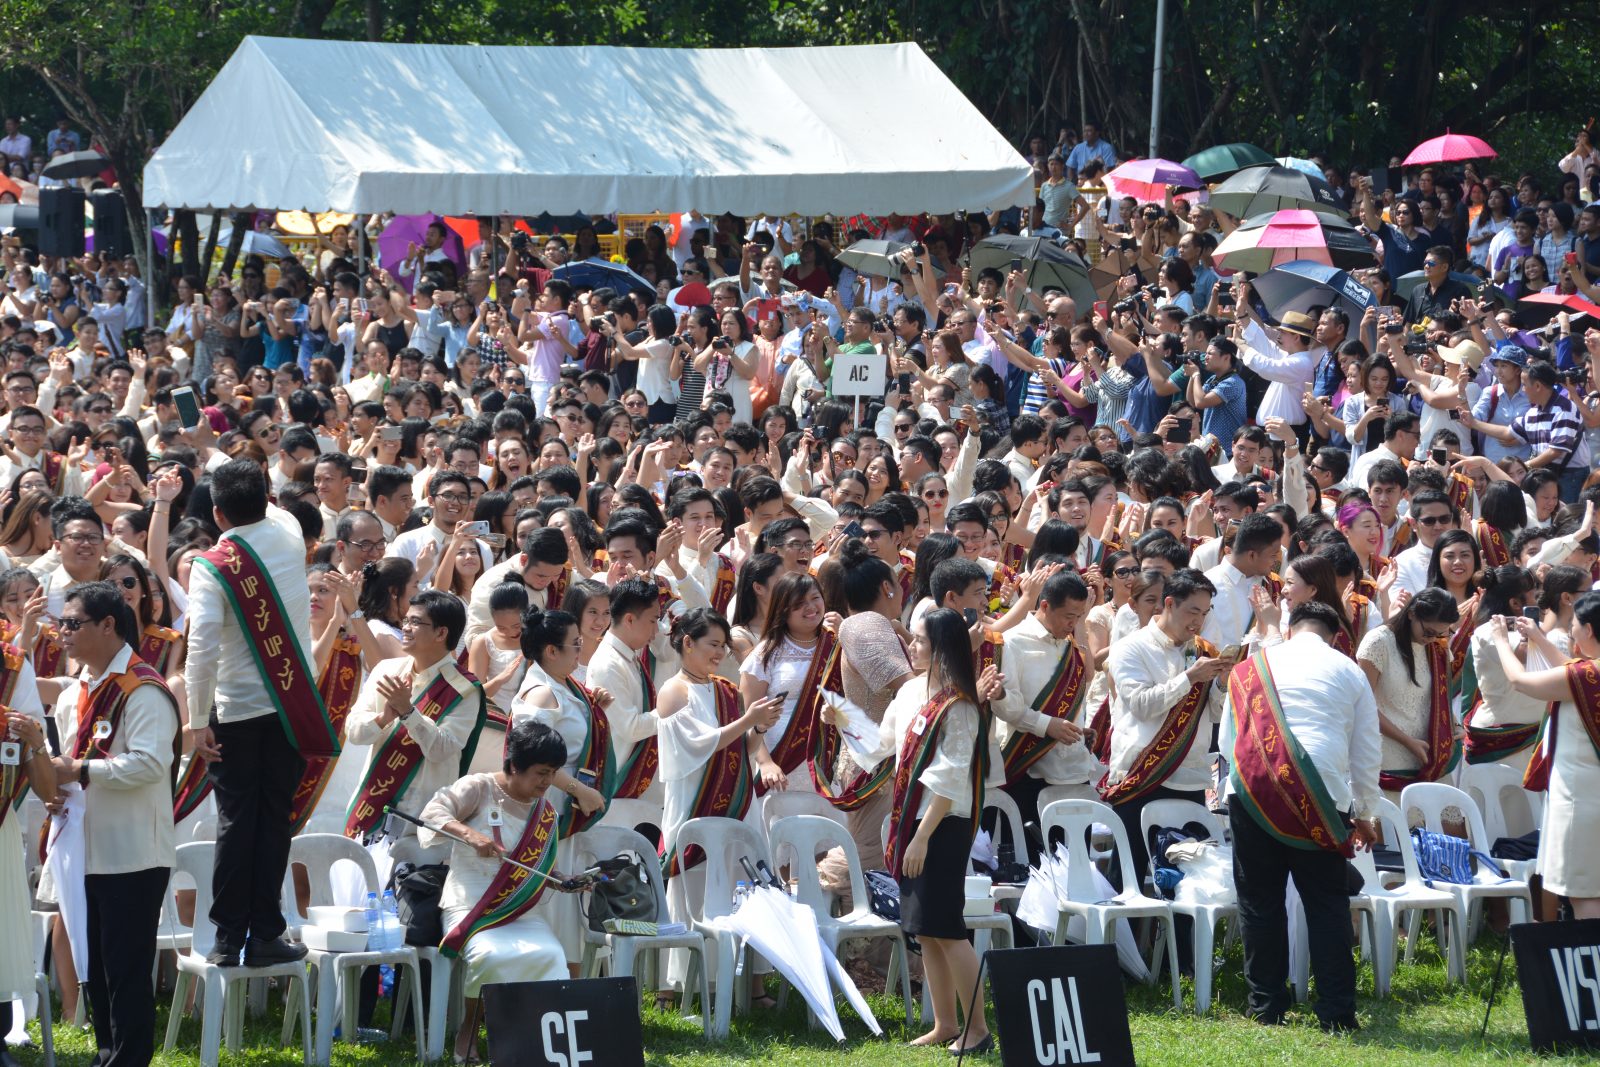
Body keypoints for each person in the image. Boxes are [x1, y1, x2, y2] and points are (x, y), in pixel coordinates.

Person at [184, 459, 329, 966]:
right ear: (266, 496)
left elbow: (200, 648)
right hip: (290, 706)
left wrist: (196, 718)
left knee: (236, 822)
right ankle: (265, 932)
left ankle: (227, 938)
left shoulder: (210, 565)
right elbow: (261, 499)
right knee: (274, 822)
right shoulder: (289, 529)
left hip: (236, 713)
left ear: (218, 514)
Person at [1223, 601, 1380, 1031]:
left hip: (1251, 790)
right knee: (1327, 905)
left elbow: (1228, 739)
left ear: (1289, 630)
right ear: (1334, 637)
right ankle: (1336, 1012)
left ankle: (1266, 1006)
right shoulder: (1348, 670)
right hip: (1322, 791)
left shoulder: (1250, 668)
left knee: (1259, 902)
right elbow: (1366, 750)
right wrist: (1366, 811)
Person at [48, 581, 179, 1067]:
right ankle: (108, 1055)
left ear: (108, 625)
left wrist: (79, 771)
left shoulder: (142, 689)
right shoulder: (78, 689)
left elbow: (149, 764)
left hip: (132, 854)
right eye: (60, 622)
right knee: (97, 969)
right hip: (84, 848)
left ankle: (129, 1059)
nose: (62, 633)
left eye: (72, 623)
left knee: (125, 970)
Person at [419, 720, 575, 1063]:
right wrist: (470, 834)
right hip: (470, 905)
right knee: (490, 956)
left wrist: (559, 880)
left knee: (551, 956)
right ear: (515, 765)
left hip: (519, 911)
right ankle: (469, 1030)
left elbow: (535, 869)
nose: (548, 782)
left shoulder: (545, 812)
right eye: (541, 772)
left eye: (553, 773)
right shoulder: (479, 787)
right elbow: (432, 812)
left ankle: (532, 1039)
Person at [883, 607, 1001, 1055]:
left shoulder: (960, 706)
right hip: (919, 824)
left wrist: (921, 836)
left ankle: (978, 1029)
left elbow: (949, 782)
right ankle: (945, 1022)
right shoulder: (922, 694)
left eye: (918, 642)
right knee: (926, 930)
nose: (911, 647)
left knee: (948, 929)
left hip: (940, 826)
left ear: (940, 651)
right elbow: (887, 749)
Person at [657, 609, 781, 1005]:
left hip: (733, 800)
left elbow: (739, 747)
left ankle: (745, 983)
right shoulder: (673, 690)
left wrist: (758, 726)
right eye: (712, 644)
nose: (719, 652)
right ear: (687, 643)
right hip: (695, 800)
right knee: (694, 887)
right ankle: (680, 986)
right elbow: (697, 747)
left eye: (723, 645)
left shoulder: (725, 689)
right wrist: (748, 720)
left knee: (736, 884)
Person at [1102, 567, 1227, 877]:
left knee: (1193, 881)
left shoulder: (1204, 651)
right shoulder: (1130, 648)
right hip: (1142, 773)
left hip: (1190, 776)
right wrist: (1189, 677)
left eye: (1205, 613)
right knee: (1128, 877)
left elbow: (1216, 715)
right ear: (1169, 604)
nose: (1198, 621)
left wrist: (1223, 684)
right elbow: (1142, 706)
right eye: (1192, 611)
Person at [343, 590, 485, 861]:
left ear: (441, 633)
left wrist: (409, 712)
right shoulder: (386, 670)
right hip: (370, 810)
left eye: (415, 622)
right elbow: (354, 731)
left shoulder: (465, 689)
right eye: (405, 620)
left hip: (420, 823)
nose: (405, 628)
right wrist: (384, 717)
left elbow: (442, 749)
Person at [1490, 602, 1600, 920]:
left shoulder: (1583, 675)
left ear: (1589, 629)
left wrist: (1500, 639)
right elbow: (1573, 676)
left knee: (1585, 894)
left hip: (1580, 797)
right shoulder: (1586, 674)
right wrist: (1539, 636)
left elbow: (1521, 681)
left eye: (1575, 623)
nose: (1571, 629)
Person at [995, 569, 1097, 833]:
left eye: (1078, 617)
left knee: (1076, 861)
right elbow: (1005, 705)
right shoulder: (1013, 642)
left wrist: (1077, 726)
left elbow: (1075, 696)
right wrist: (1046, 725)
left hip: (1072, 769)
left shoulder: (1070, 643)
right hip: (1026, 766)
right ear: (1044, 605)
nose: (1072, 624)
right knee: (1029, 864)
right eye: (1068, 616)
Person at [1356, 587, 1461, 803]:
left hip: (1431, 757)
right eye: (1429, 632)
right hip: (1390, 756)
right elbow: (1362, 706)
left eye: (1442, 634)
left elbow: (1440, 698)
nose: (1433, 639)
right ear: (1412, 613)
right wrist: (1407, 741)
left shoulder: (1437, 646)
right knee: (1399, 832)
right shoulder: (1378, 642)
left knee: (1449, 830)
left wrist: (1455, 725)